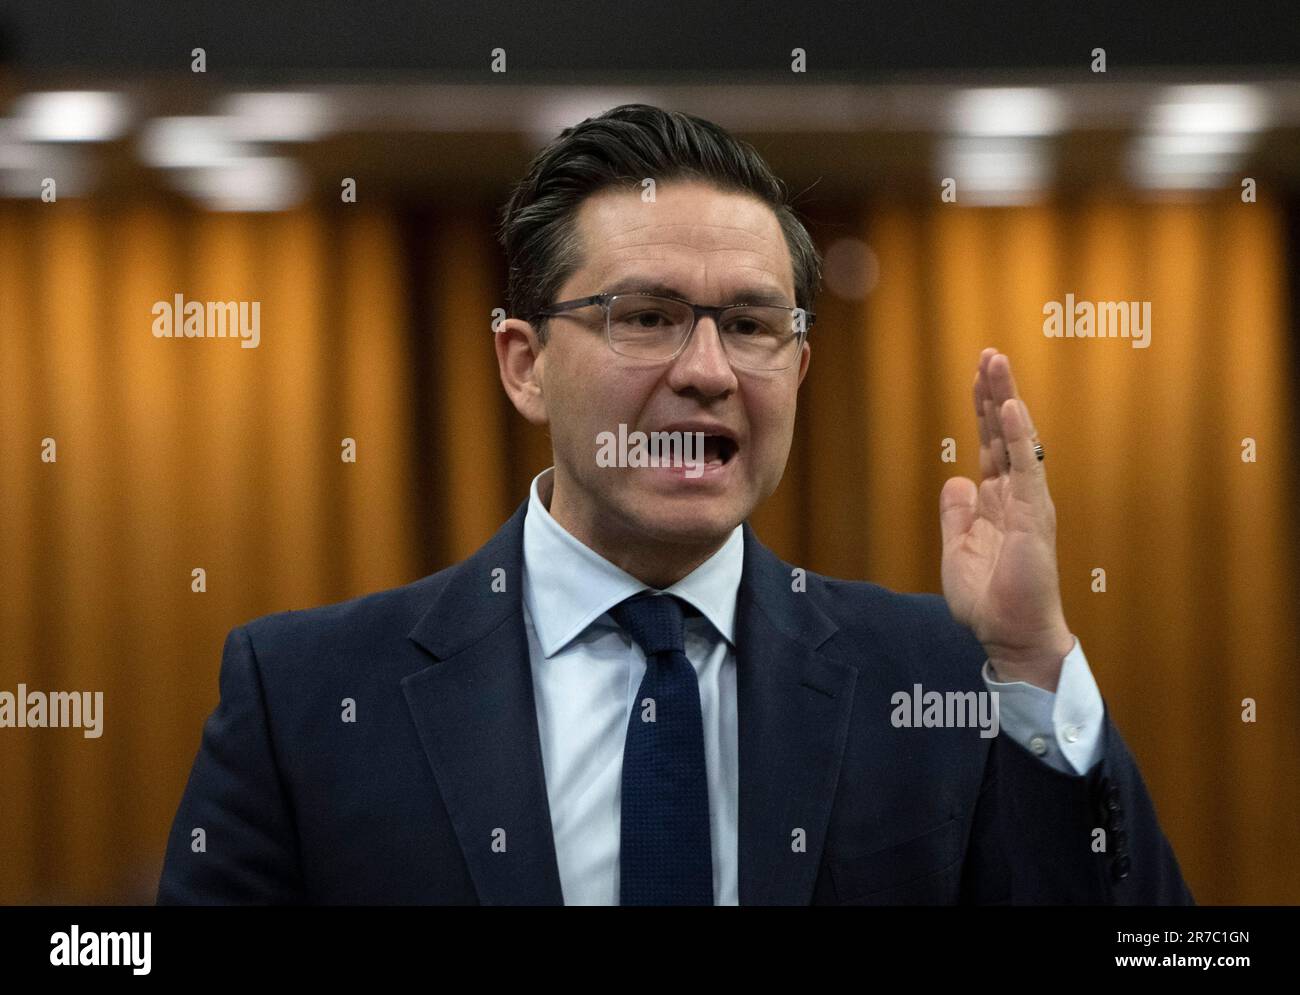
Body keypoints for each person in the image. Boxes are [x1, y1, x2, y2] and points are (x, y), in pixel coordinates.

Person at [157, 103, 1192, 905]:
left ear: (797, 364)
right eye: (645, 316)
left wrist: (1032, 662)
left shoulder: (937, 679)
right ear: (523, 365)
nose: (707, 370)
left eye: (749, 325)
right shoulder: (304, 698)